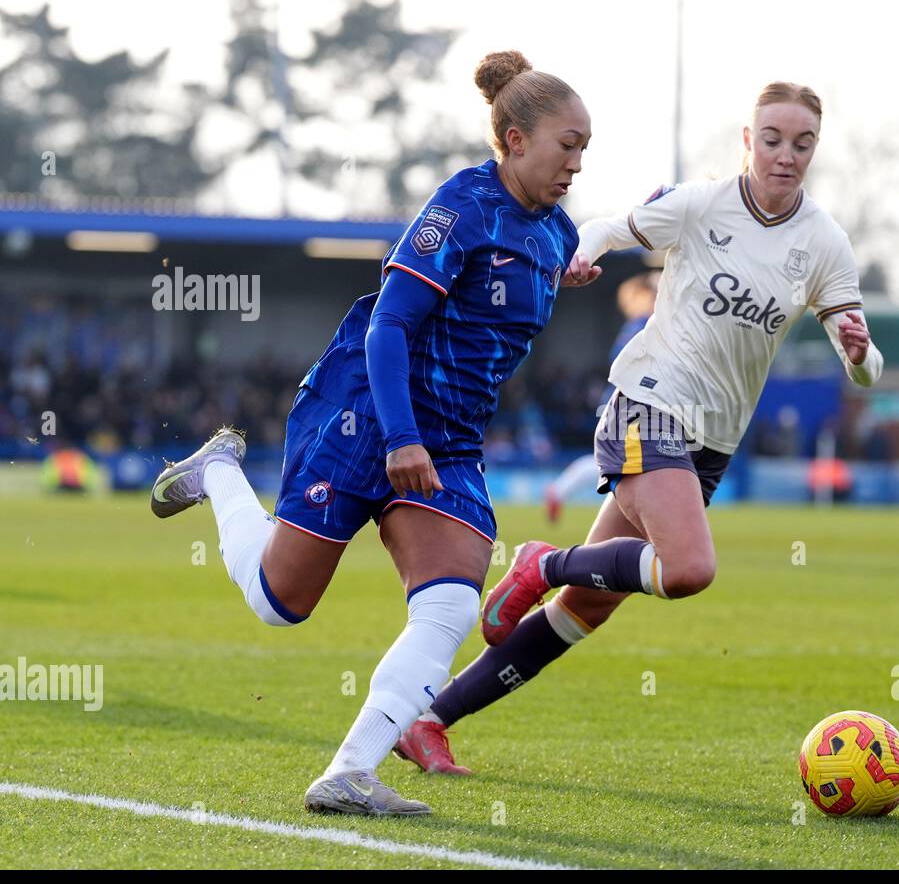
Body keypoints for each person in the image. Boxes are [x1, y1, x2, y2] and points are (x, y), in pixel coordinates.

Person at [395, 81, 884, 773]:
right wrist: (582, 253)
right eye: (772, 139)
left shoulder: (826, 242)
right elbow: (608, 226)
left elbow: (862, 367)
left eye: (802, 143)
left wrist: (861, 354)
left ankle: (429, 720)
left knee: (585, 609)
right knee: (688, 569)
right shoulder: (702, 203)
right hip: (649, 401)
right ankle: (543, 561)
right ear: (748, 142)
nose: (786, 155)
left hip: (711, 440)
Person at [148, 50, 589, 813]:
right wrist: (397, 437)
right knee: (279, 602)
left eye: (586, 148)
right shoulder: (459, 209)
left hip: (448, 435)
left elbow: (533, 274)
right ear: (515, 140)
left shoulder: (557, 234)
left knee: (452, 600)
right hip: (366, 412)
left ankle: (350, 770)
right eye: (567, 145)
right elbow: (388, 327)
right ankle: (219, 469)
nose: (577, 163)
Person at [543, 271, 658, 523]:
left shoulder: (638, 325)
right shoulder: (643, 325)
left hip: (629, 402)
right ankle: (560, 492)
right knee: (624, 464)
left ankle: (560, 491)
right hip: (630, 404)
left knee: (619, 463)